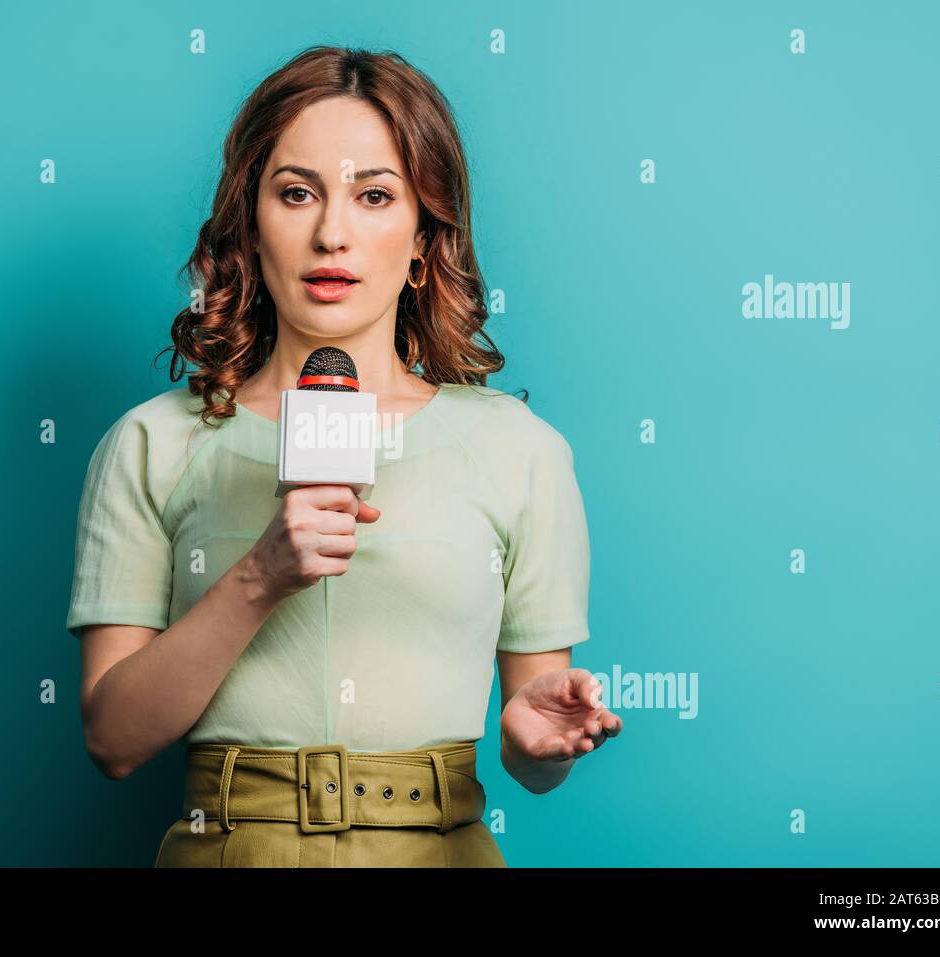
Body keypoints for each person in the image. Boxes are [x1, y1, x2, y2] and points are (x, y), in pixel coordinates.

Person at [65, 45, 622, 868]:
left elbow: (531, 755)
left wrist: (539, 742)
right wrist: (260, 576)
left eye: (374, 196)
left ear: (425, 235)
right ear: (251, 227)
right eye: (297, 194)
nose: (332, 233)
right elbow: (113, 738)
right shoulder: (152, 443)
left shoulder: (520, 451)